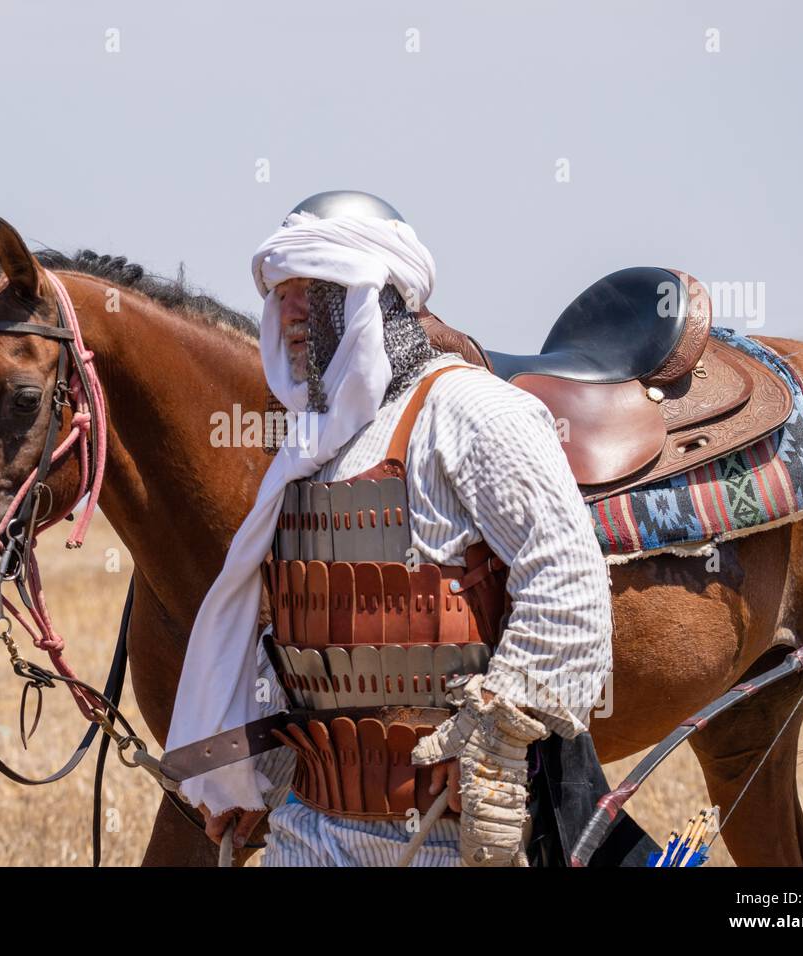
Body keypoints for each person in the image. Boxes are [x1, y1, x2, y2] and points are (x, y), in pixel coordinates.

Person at [165, 190, 619, 866]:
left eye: (308, 288)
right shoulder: (310, 444)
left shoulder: (470, 411)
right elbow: (300, 627)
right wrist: (245, 771)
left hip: (439, 830)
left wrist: (498, 737)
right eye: (278, 291)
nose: (287, 311)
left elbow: (570, 584)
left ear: (371, 295)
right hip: (309, 827)